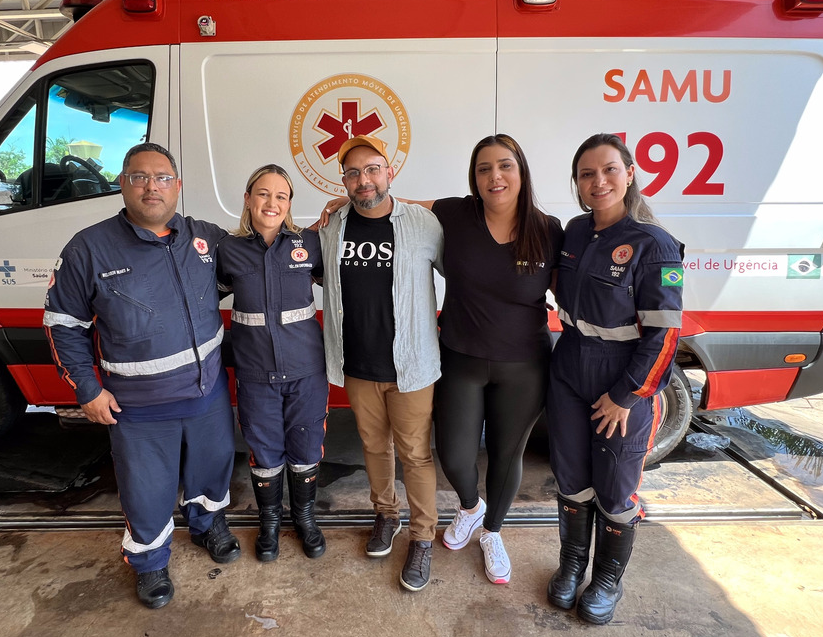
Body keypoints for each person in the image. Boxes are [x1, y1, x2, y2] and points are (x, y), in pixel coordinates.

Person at [44, 142, 241, 609]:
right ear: (122, 183)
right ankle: (150, 564)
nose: (152, 186)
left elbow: (260, 258)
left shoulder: (205, 238)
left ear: (178, 186)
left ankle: (207, 524)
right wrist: (87, 389)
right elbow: (62, 326)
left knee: (213, 470)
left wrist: (313, 232)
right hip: (140, 408)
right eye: (139, 177)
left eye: (163, 177)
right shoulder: (88, 248)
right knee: (146, 493)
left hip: (207, 393)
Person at [545, 132, 684, 625]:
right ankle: (572, 565)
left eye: (608, 170)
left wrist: (625, 396)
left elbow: (665, 337)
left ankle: (606, 578)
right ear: (578, 185)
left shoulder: (656, 246)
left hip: (620, 379)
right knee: (572, 478)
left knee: (615, 486)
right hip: (568, 371)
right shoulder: (576, 233)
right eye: (587, 174)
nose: (598, 181)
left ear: (629, 174)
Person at [427, 135, 563, 585]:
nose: (494, 177)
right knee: (454, 454)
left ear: (521, 172)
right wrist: (343, 201)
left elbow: (572, 295)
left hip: (524, 366)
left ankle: (491, 531)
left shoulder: (548, 229)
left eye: (505, 166)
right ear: (474, 178)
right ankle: (470, 506)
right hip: (461, 357)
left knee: (507, 454)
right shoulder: (454, 213)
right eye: (484, 169)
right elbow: (391, 204)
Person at [320, 134, 444, 592]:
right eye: (353, 172)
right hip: (358, 364)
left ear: (390, 171)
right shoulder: (332, 227)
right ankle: (385, 515)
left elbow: (465, 274)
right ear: (344, 181)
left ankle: (423, 537)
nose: (363, 179)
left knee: (415, 454)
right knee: (374, 448)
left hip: (410, 365)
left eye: (372, 169)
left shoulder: (424, 224)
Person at [216, 164, 329, 563]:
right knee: (264, 453)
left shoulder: (309, 244)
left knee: (304, 449)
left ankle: (304, 517)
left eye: (281, 196)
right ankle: (269, 523)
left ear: (289, 204)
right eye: (263, 194)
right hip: (256, 373)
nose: (272, 202)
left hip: (306, 373)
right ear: (247, 199)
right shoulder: (227, 250)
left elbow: (338, 279)